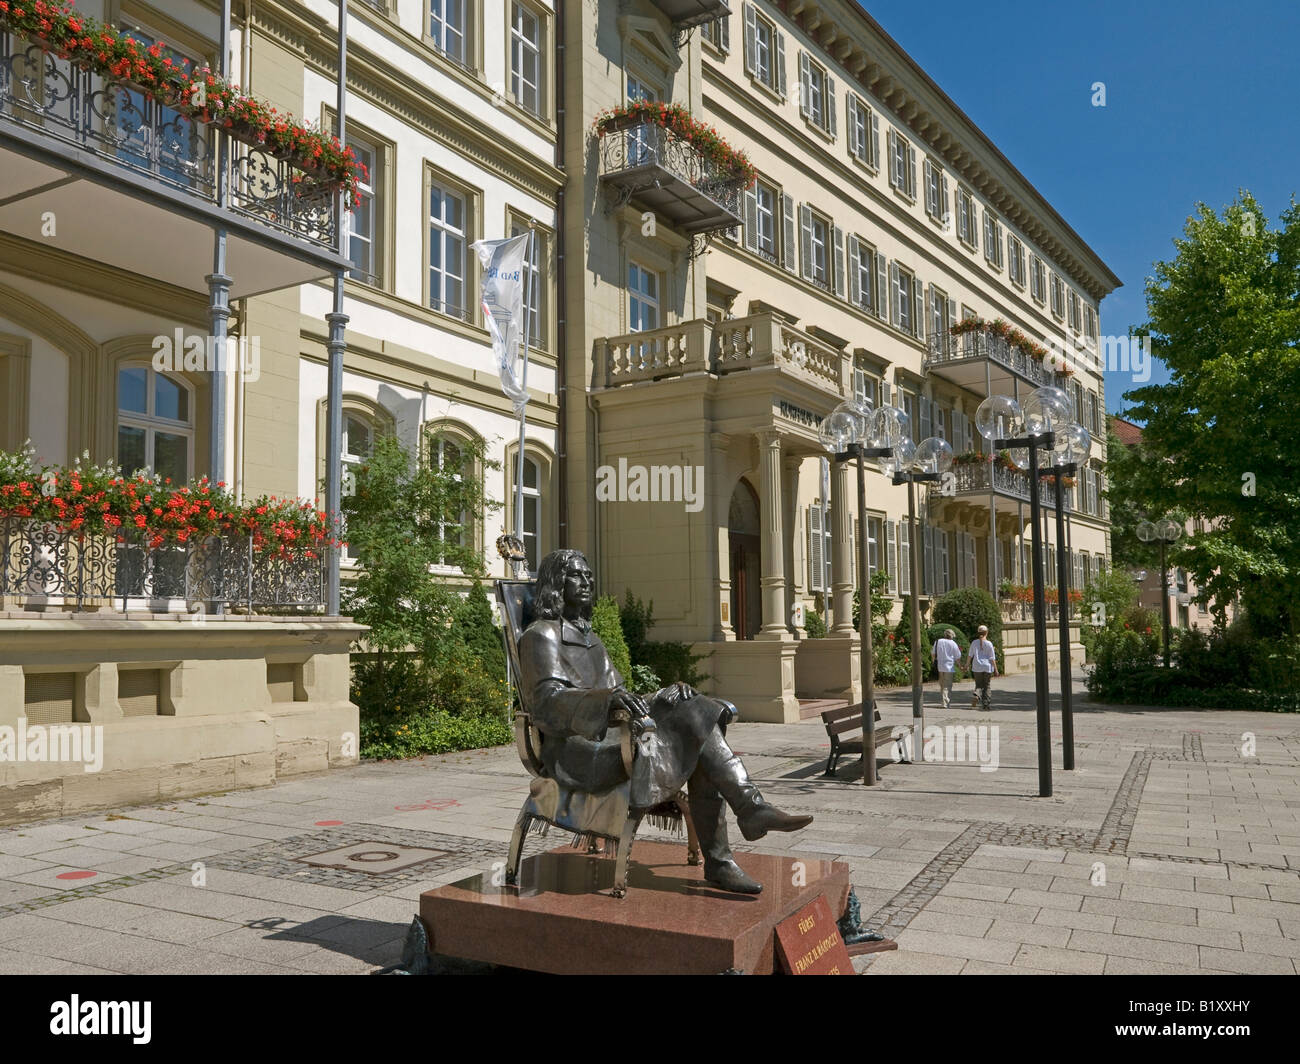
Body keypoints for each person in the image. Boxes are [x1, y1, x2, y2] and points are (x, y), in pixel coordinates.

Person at [518, 549, 813, 895]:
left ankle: (738, 831)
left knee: (695, 712)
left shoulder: (590, 639)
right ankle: (735, 835)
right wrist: (606, 700)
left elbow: (622, 697)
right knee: (699, 729)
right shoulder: (542, 635)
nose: (587, 582)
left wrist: (661, 696)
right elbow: (546, 703)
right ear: (556, 582)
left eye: (588, 575)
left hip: (611, 736)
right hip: (575, 751)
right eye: (576, 576)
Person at [968, 624, 998, 709]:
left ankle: (976, 695)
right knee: (987, 686)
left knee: (978, 685)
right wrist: (995, 669)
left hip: (977, 667)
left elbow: (970, 655)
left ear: (978, 633)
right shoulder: (989, 644)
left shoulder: (974, 643)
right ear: (986, 633)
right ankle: (986, 704)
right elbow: (992, 658)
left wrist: (966, 665)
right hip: (987, 667)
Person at [932, 629, 962, 710]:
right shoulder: (953, 643)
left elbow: (933, 654)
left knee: (942, 684)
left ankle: (944, 701)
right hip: (949, 667)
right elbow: (957, 657)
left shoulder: (938, 641)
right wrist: (960, 666)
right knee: (947, 685)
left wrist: (933, 662)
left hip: (940, 666)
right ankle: (945, 702)